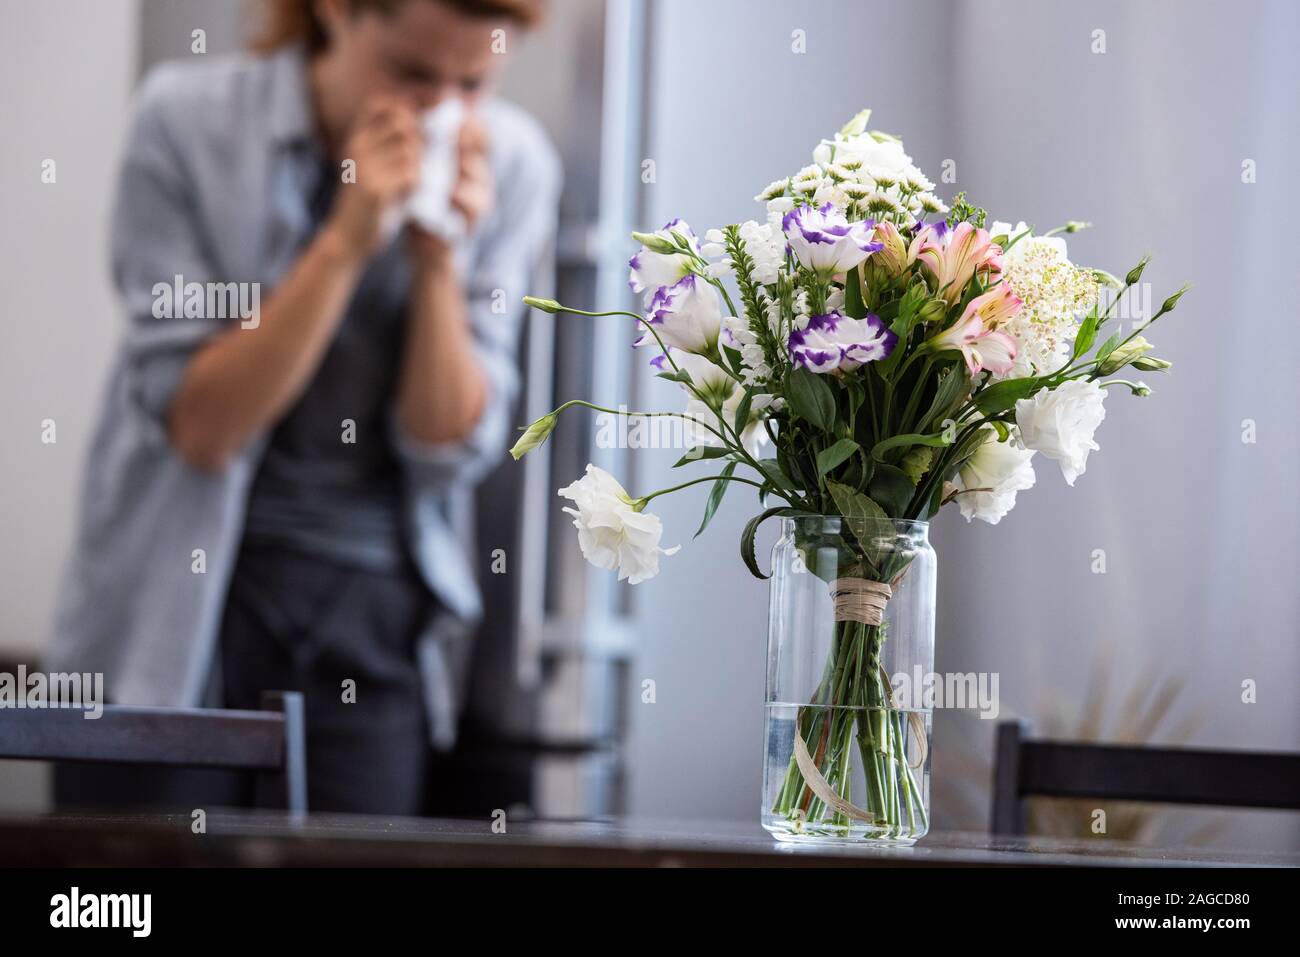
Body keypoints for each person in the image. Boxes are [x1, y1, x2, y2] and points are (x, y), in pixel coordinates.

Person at [44, 0, 560, 815]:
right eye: (413, 73)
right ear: (335, 11)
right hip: (174, 619)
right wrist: (347, 239)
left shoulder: (516, 163)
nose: (443, 110)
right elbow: (203, 427)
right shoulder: (186, 123)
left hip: (371, 628)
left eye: (474, 81)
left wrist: (439, 265)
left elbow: (448, 444)